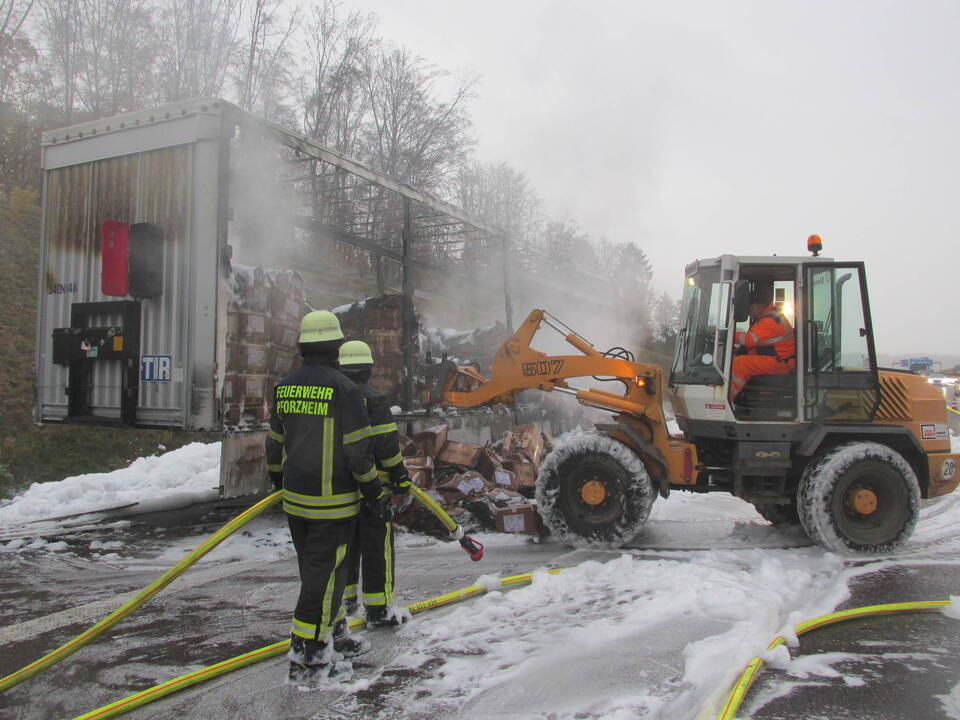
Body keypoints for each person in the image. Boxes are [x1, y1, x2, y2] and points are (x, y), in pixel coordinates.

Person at [265, 310, 382, 685]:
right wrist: (372, 488)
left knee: (320, 574)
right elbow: (357, 452)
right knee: (323, 580)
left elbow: (275, 441)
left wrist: (277, 479)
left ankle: (334, 636)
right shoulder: (344, 390)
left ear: (302, 346)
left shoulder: (285, 386)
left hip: (297, 501)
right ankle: (309, 656)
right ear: (336, 346)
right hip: (333, 506)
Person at [337, 340, 413, 628]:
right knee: (376, 547)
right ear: (369, 369)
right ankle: (379, 609)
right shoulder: (376, 400)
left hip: (340, 489)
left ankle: (344, 604)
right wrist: (400, 477)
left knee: (345, 546)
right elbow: (386, 447)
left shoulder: (335, 398)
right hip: (373, 488)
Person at [729, 288, 796, 403]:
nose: (748, 311)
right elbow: (754, 343)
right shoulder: (765, 318)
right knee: (739, 357)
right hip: (778, 360)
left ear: (759, 305)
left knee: (741, 363)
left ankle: (727, 399)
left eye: (750, 307)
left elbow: (749, 339)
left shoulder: (771, 320)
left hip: (782, 363)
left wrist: (726, 335)